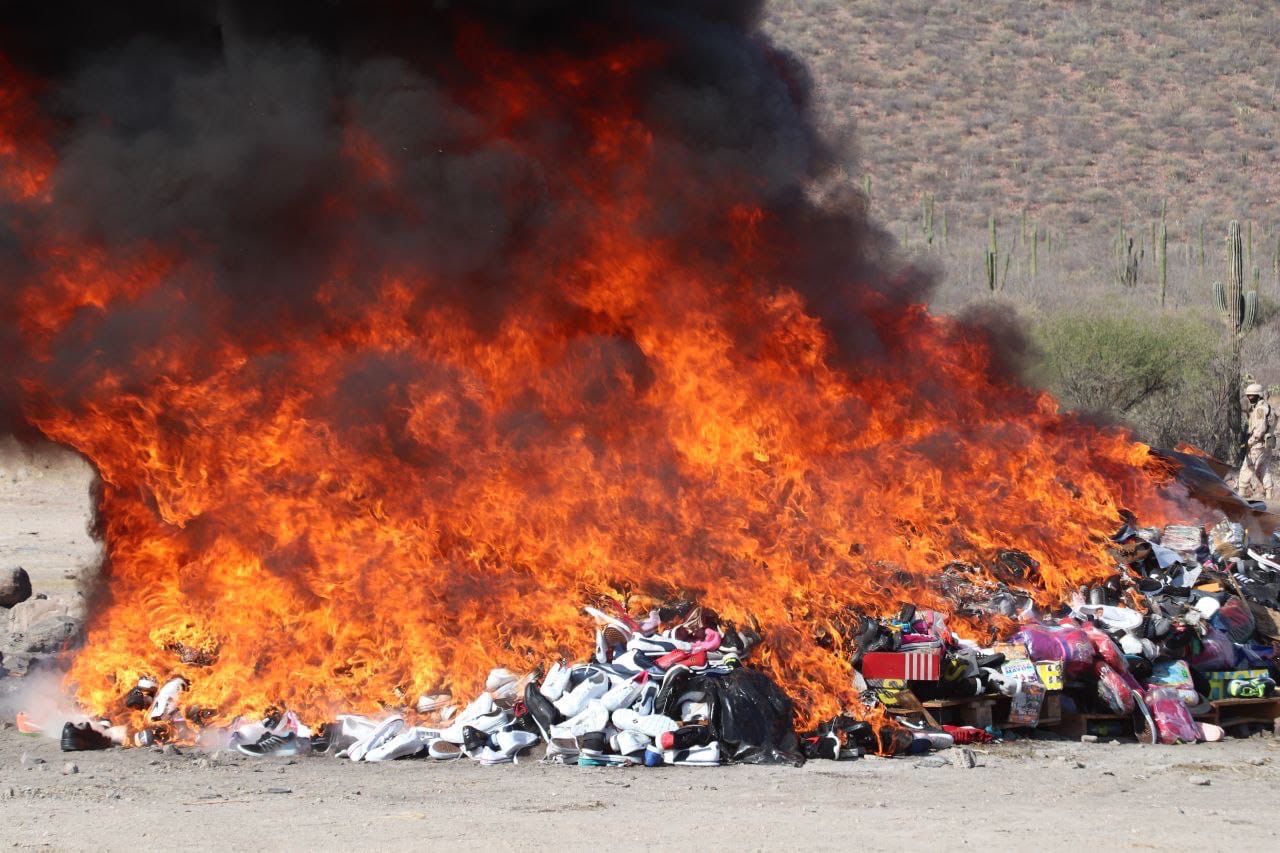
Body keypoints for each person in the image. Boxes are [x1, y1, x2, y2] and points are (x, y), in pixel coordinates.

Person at [1238, 383, 1275, 502]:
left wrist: (1249, 442)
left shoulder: (1260, 409)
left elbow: (1260, 430)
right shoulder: (1267, 407)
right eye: (1248, 396)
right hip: (1266, 444)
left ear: (1258, 396)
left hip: (1257, 444)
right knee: (1264, 468)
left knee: (1247, 467)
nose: (1250, 398)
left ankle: (1240, 494)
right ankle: (1269, 495)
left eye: (1252, 396)